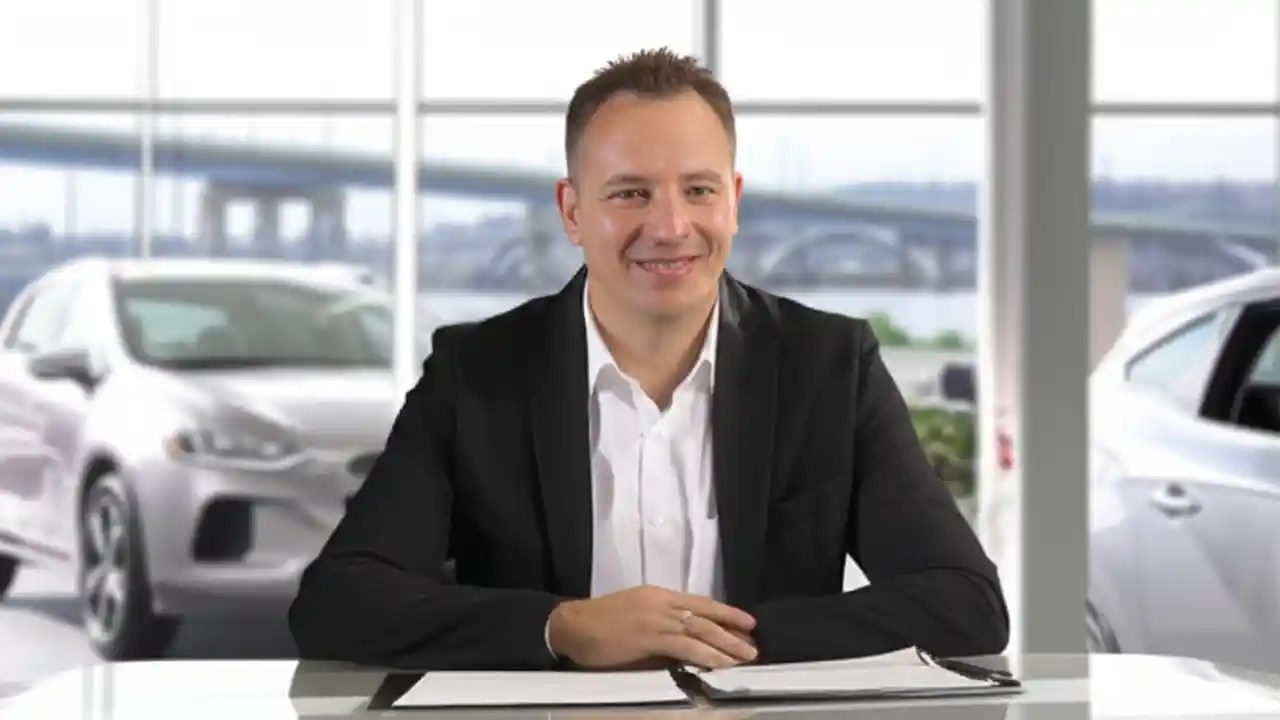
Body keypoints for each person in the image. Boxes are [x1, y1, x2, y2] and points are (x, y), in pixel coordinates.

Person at [288, 48, 1008, 671]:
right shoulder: (477, 373)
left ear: (733, 200)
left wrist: (712, 640)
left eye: (698, 190)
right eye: (631, 193)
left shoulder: (830, 366)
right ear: (572, 211)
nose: (670, 227)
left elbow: (964, 602)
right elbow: (340, 600)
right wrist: (563, 629)